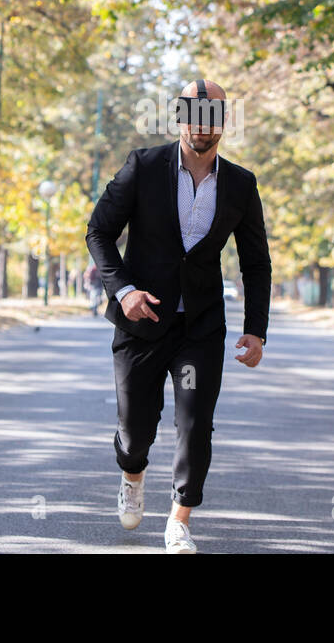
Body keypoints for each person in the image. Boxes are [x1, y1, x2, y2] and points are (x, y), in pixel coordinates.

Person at [86, 78, 271, 553]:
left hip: (200, 327)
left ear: (224, 123)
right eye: (195, 116)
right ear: (180, 117)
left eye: (213, 118)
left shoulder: (241, 184)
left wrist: (256, 330)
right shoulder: (143, 167)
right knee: (135, 429)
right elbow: (99, 232)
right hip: (141, 318)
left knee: (194, 421)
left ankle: (180, 519)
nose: (202, 128)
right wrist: (123, 290)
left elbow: (256, 261)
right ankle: (133, 474)